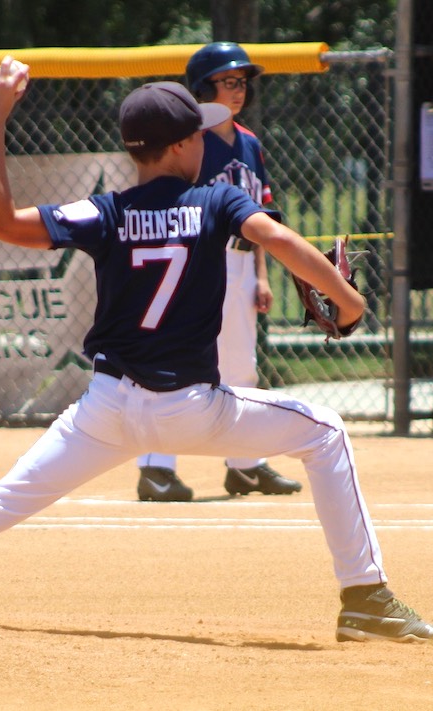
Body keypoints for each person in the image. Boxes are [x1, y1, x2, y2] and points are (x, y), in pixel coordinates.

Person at [0, 57, 433, 644]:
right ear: (177, 147)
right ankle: (365, 597)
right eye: (198, 132)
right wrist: (352, 304)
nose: (208, 139)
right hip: (192, 410)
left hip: (106, 409)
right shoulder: (215, 202)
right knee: (324, 433)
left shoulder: (103, 212)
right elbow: (283, 241)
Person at [136, 41, 302, 502]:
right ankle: (155, 467)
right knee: (177, 362)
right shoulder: (189, 141)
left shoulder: (249, 142)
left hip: (240, 261)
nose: (238, 89)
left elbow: (262, 214)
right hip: (193, 260)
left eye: (242, 82)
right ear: (202, 88)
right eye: (228, 81)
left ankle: (245, 465)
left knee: (239, 367)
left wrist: (262, 275)